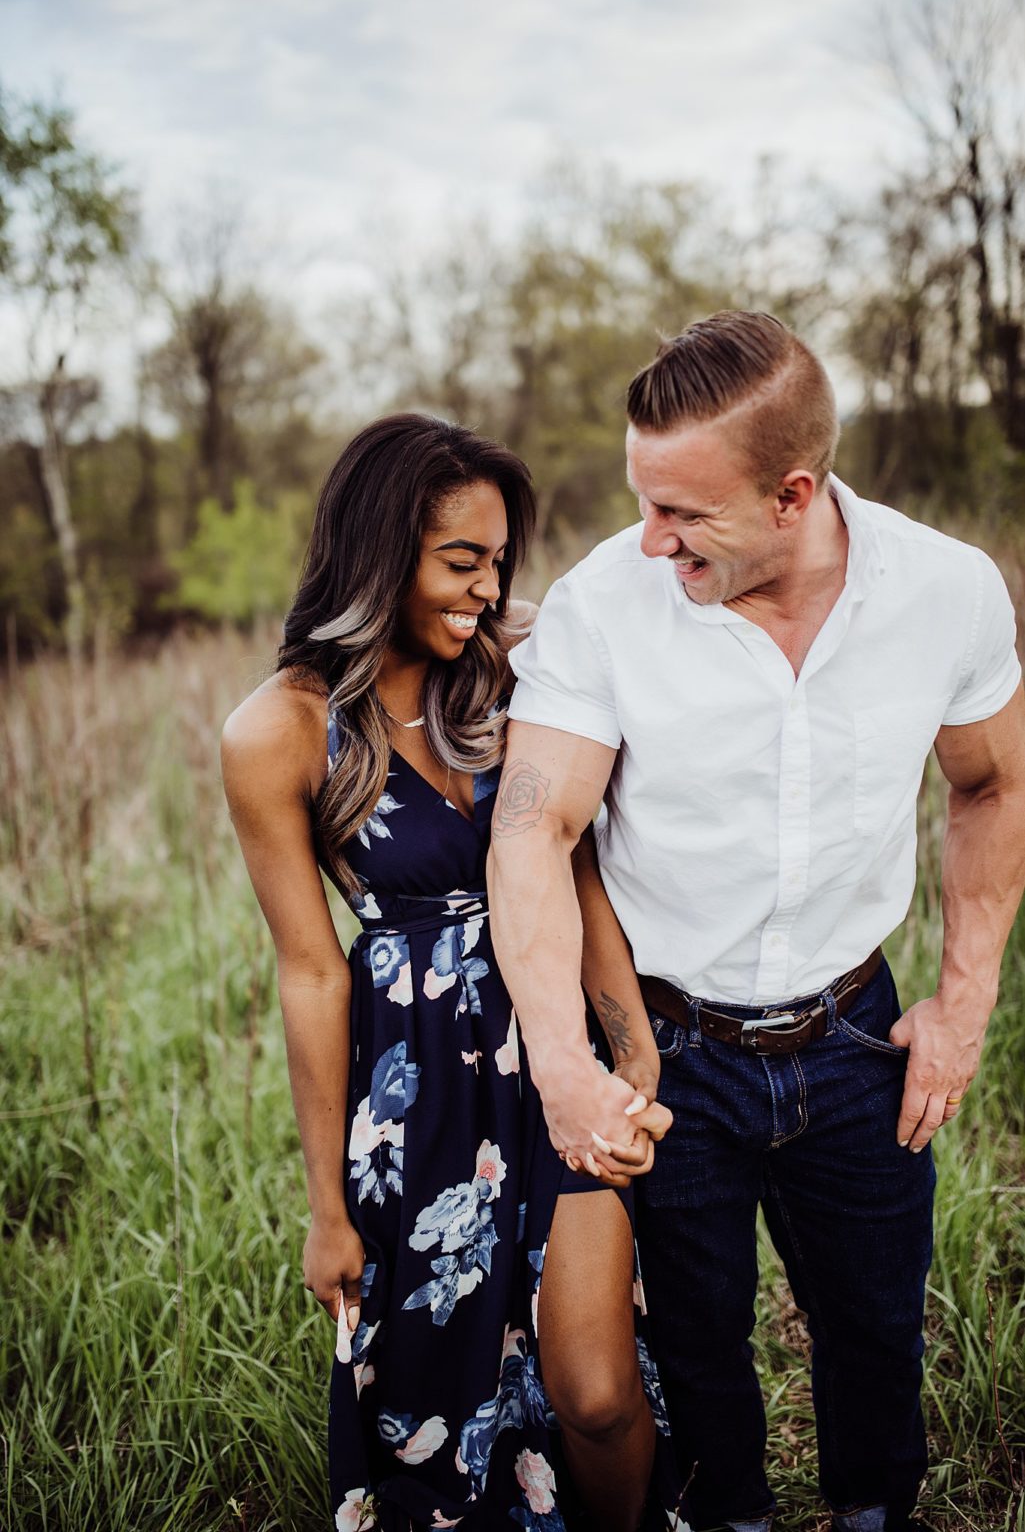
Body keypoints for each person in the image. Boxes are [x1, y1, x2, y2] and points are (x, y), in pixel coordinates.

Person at [487, 312, 1025, 1532]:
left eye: (682, 512)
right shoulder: (604, 605)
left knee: (876, 1329)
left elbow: (993, 780)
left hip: (856, 1040)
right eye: (642, 499)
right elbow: (532, 828)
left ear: (793, 492)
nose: (648, 537)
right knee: (695, 1344)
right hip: (665, 1052)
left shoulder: (942, 592)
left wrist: (965, 999)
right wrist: (568, 1068)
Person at [220, 413, 683, 1532]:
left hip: (556, 1055)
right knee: (438, 1391)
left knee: (595, 1386)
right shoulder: (278, 731)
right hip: (418, 1095)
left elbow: (572, 870)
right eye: (459, 562)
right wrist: (325, 1208)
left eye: (495, 563)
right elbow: (311, 975)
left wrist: (633, 1054)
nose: (483, 589)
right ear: (379, 551)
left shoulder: (511, 668)